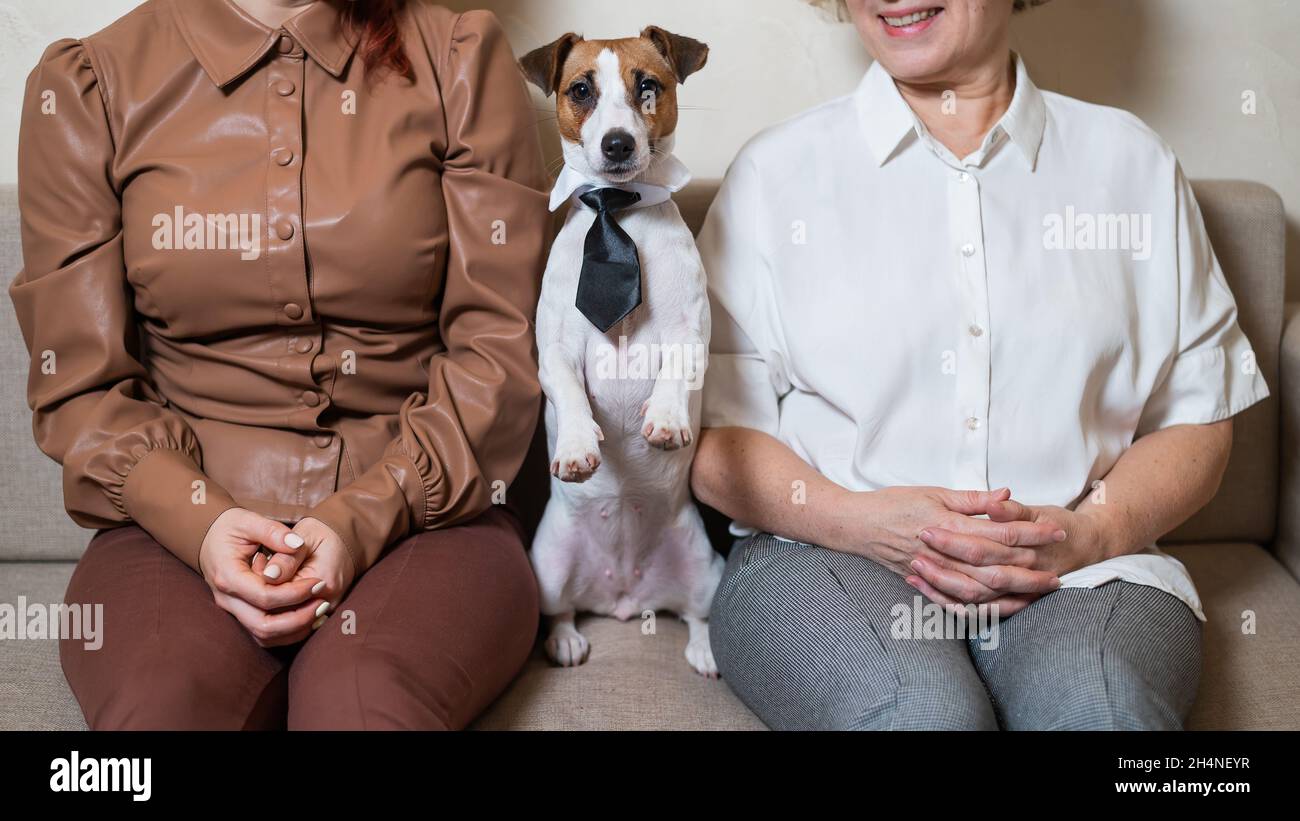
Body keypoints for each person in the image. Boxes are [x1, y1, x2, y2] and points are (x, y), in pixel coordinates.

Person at [692, 0, 1268, 730]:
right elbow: (708, 440)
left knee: (1104, 712)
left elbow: (1198, 421)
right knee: (920, 716)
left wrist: (1087, 532)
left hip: (1086, 571)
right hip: (822, 557)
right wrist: (861, 521)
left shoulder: (1131, 164)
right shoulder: (774, 175)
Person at [11, 0, 549, 730]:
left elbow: (497, 357)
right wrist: (205, 523)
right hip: (170, 531)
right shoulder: (87, 84)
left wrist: (359, 520)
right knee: (159, 709)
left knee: (363, 704)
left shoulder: (462, 59)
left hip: (429, 518)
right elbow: (78, 385)